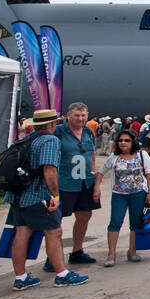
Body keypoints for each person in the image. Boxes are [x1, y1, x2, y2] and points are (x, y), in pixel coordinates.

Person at [5, 110, 89, 290]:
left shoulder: (25, 139)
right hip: (37, 195)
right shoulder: (49, 140)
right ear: (52, 124)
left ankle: (20, 278)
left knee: (22, 233)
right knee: (53, 232)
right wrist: (55, 195)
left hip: (17, 194)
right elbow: (49, 170)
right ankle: (62, 274)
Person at [45, 102, 100, 272]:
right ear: (68, 116)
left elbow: (91, 154)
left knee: (84, 215)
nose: (80, 118)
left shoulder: (89, 132)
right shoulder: (59, 132)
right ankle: (52, 257)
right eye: (77, 115)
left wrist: (92, 174)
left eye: (83, 115)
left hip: (84, 181)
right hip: (64, 182)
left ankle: (77, 250)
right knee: (56, 221)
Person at [93, 129, 150, 266]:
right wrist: (96, 188)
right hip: (119, 195)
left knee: (135, 223)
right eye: (120, 140)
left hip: (138, 193)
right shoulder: (114, 157)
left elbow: (149, 173)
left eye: (127, 140)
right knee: (115, 222)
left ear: (133, 141)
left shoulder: (142, 154)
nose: (123, 143)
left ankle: (132, 251)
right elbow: (100, 172)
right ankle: (111, 254)